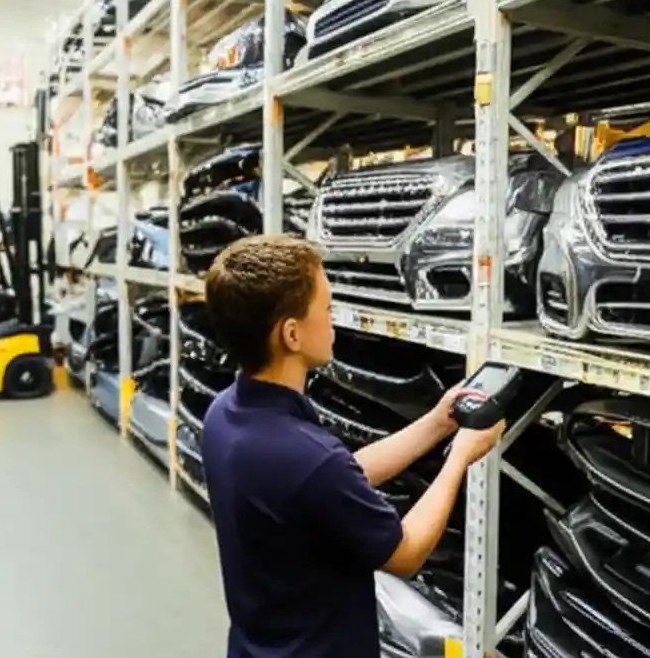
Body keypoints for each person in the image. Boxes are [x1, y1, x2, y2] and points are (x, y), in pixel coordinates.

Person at [201, 235, 505, 658]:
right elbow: (407, 552)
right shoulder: (307, 458)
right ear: (291, 334)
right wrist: (460, 457)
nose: (333, 320)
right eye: (326, 308)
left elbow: (335, 477)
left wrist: (438, 424)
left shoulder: (224, 416)